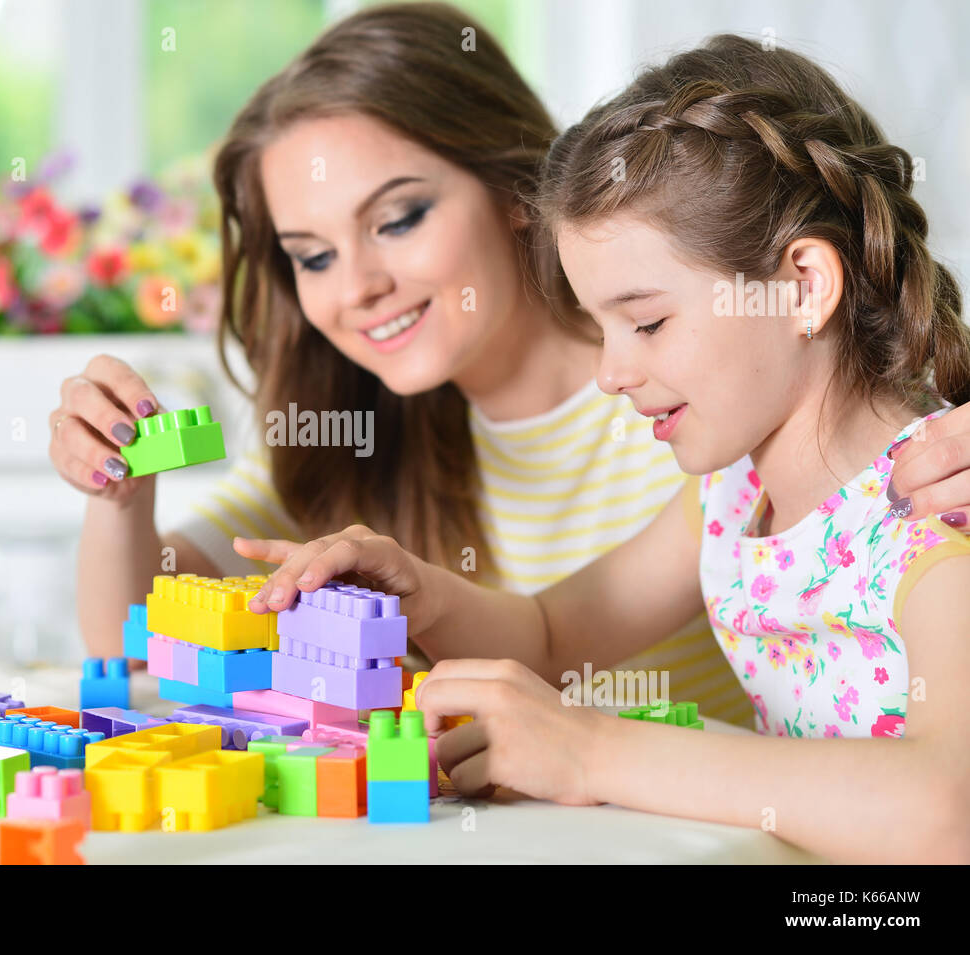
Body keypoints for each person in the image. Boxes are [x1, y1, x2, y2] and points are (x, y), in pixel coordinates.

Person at [49, 3, 970, 730]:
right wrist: (118, 493)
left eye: (399, 217)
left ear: (515, 194)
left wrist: (595, 750)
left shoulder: (718, 404)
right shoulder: (362, 433)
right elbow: (134, 637)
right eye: (313, 255)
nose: (360, 285)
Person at [234, 34, 970, 863]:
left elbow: (949, 811)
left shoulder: (937, 513)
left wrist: (594, 750)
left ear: (803, 285)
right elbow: (554, 632)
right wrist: (424, 596)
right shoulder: (728, 499)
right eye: (604, 326)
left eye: (647, 322)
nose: (614, 373)